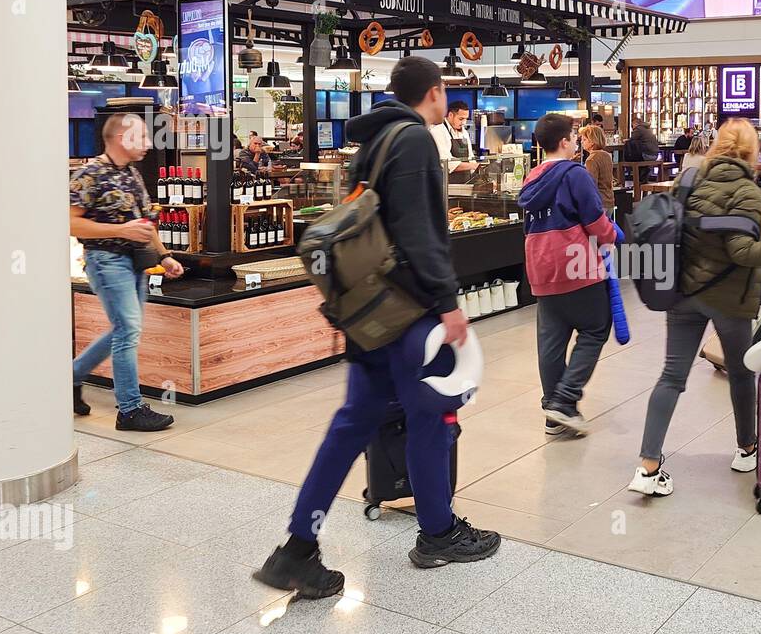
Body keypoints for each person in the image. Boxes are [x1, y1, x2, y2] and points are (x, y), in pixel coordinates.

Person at [254, 56, 500, 598]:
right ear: (434, 94)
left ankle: (298, 547)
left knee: (350, 427)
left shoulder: (372, 141)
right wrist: (447, 301)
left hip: (364, 311)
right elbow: (419, 231)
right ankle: (437, 532)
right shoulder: (413, 141)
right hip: (406, 311)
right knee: (433, 415)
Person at [628, 119, 761, 497]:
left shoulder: (689, 180)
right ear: (752, 152)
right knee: (739, 373)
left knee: (671, 376)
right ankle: (747, 448)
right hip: (728, 298)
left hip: (683, 293)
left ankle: (648, 466)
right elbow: (743, 251)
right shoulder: (746, 191)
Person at [70, 114, 185, 430]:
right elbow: (70, 223)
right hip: (106, 261)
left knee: (125, 329)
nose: (149, 143)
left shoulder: (132, 174)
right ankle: (130, 410)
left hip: (135, 261)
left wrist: (165, 256)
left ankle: (73, 376)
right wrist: (121, 230)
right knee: (129, 329)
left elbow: (146, 224)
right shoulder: (89, 175)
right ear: (122, 138)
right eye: (142, 136)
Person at [519, 114, 620, 436]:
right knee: (595, 328)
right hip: (574, 263)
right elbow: (594, 218)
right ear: (564, 142)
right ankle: (564, 401)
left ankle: (553, 412)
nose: (577, 140)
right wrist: (613, 238)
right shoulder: (575, 174)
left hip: (539, 264)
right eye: (574, 136)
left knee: (551, 340)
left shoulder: (532, 177)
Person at [430, 100, 478, 181]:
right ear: (450, 115)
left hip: (465, 183)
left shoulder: (464, 133)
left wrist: (477, 172)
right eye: (461, 119)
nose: (464, 123)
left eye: (466, 119)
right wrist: (474, 166)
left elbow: (471, 157)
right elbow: (446, 163)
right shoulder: (438, 131)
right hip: (446, 186)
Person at [581, 123, 615, 214]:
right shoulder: (606, 155)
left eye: (584, 139)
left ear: (592, 142)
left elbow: (591, 185)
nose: (582, 142)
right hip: (609, 201)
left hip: (598, 204)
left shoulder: (591, 160)